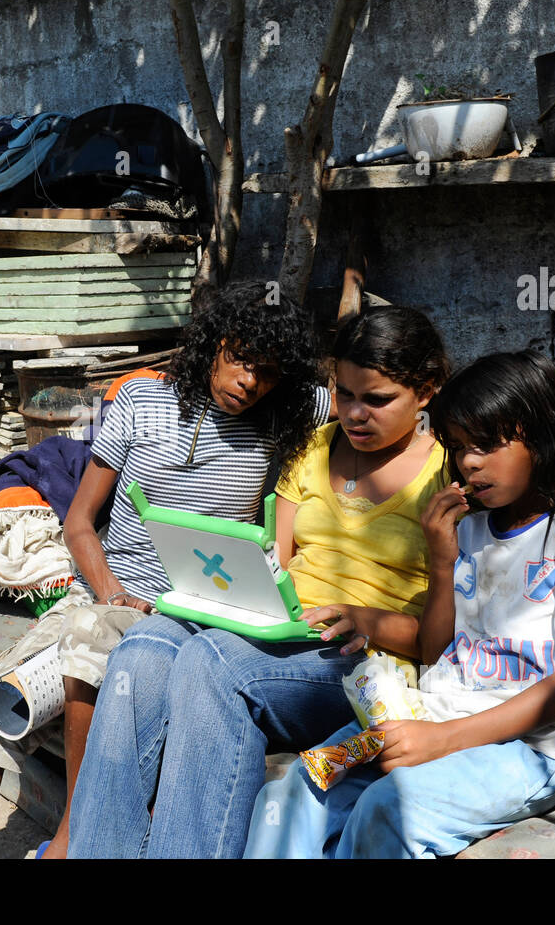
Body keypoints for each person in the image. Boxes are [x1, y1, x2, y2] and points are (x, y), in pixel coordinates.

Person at [0, 282, 327, 859]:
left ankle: (70, 842)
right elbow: (80, 523)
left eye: (267, 372)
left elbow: (371, 395)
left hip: (192, 616)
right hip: (105, 596)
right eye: (240, 360)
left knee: (88, 646)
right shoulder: (141, 402)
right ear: (214, 345)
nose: (249, 382)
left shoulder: (283, 414)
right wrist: (112, 592)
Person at [67, 306, 453, 858]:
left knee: (211, 662)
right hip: (281, 635)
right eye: (344, 394)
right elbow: (279, 561)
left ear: (426, 391)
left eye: (378, 399)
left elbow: (445, 640)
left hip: (363, 661)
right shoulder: (315, 448)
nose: (355, 414)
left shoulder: (448, 475)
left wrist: (364, 620)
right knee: (143, 647)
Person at [243, 349, 555, 858]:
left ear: (544, 434)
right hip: (426, 711)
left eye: (487, 444)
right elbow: (436, 651)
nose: (470, 462)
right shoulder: (470, 531)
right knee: (294, 791)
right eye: (458, 447)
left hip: (528, 749)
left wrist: (444, 740)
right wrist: (440, 559)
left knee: (390, 807)